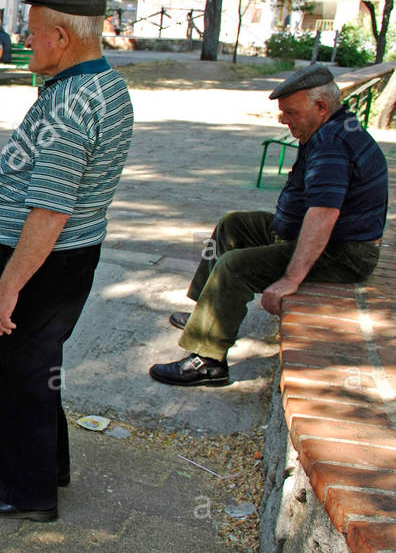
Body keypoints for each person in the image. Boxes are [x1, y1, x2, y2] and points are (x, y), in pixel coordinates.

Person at [0, 0, 133, 523]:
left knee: (13, 371)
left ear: (61, 37)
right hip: (67, 253)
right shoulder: (105, 86)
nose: (23, 42)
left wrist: (6, 288)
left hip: (36, 257)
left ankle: (25, 490)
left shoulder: (71, 103)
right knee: (37, 366)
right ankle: (44, 464)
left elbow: (50, 210)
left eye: (32, 34)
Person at [150, 65, 387, 387]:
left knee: (235, 266)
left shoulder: (333, 144)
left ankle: (208, 361)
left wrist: (291, 278)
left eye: (290, 112)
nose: (283, 120)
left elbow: (323, 214)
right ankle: (204, 318)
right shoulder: (330, 126)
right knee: (233, 225)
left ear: (320, 107)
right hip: (318, 236)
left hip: (343, 253)